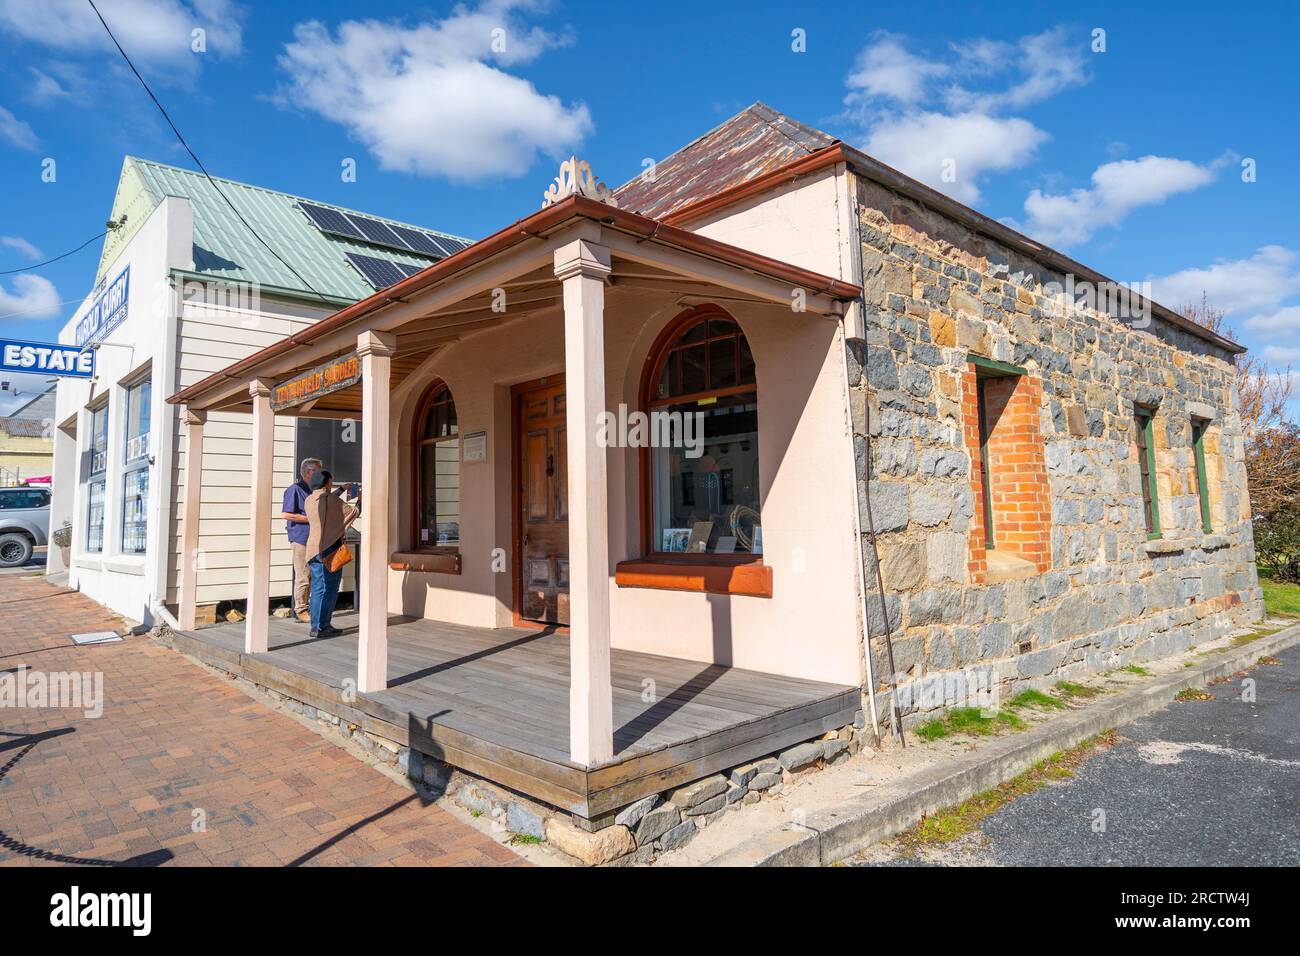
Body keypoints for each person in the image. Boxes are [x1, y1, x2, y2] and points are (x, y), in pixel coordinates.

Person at [304, 469, 360, 638]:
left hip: (312, 549)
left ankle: (315, 626)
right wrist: (361, 500)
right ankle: (323, 626)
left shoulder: (309, 499)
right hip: (329, 548)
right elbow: (351, 513)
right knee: (329, 588)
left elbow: (327, 499)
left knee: (317, 588)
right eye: (331, 481)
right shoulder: (331, 500)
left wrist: (342, 489)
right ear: (326, 482)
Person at [281, 457, 322, 623]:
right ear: (308, 472)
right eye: (318, 471)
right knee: (303, 574)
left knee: (313, 574)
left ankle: (310, 607)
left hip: (314, 538)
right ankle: (301, 609)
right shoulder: (294, 489)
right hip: (300, 538)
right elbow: (286, 514)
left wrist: (341, 489)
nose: (320, 475)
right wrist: (310, 519)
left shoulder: (313, 490)